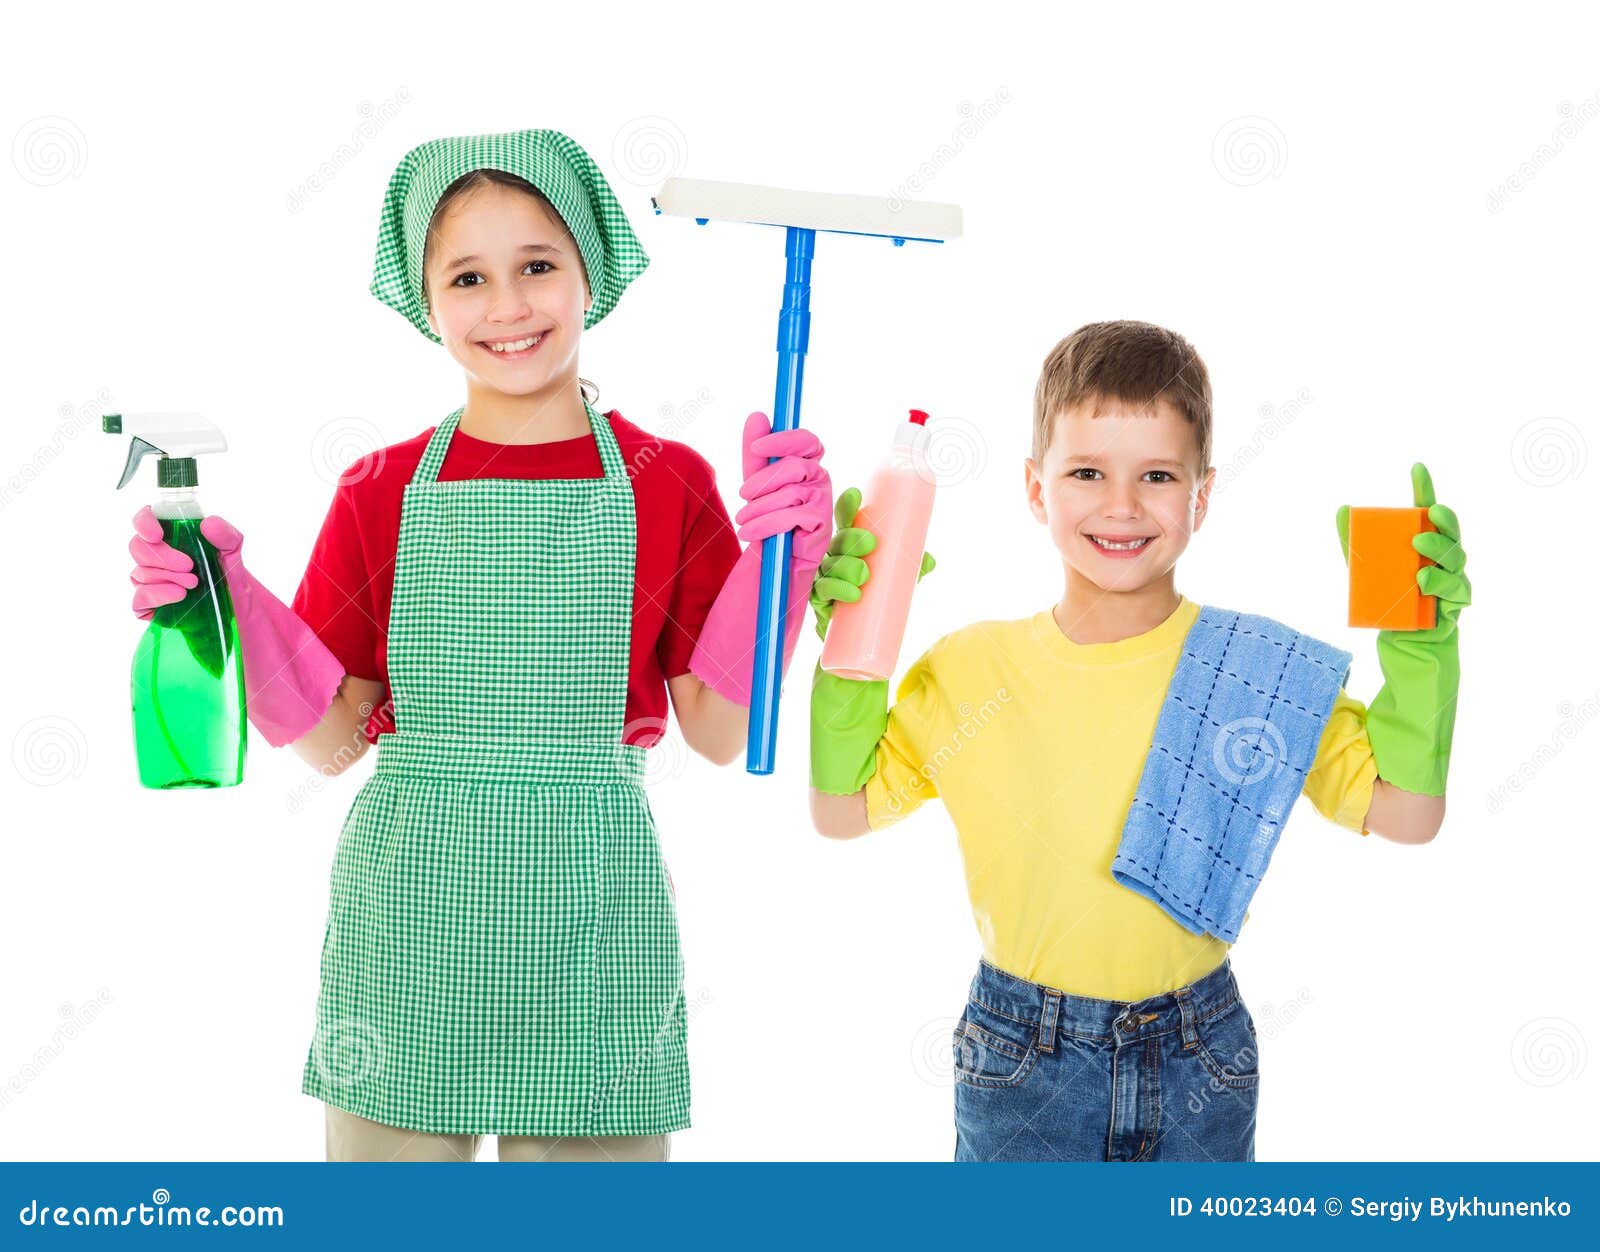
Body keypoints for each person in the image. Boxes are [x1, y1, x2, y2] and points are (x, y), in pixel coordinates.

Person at [126, 129, 833, 1162]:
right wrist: (221, 608)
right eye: (468, 277)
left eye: (537, 266)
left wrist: (786, 561)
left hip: (595, 915)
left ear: (591, 270)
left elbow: (722, 731)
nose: (507, 308)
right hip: (409, 917)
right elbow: (330, 741)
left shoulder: (663, 478)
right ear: (426, 300)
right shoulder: (381, 486)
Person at [807, 319, 1471, 1161]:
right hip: (1019, 1059)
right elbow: (841, 813)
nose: (1121, 505)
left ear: (1202, 492)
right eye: (1087, 472)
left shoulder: (1256, 670)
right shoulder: (970, 669)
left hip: (1201, 1054)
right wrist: (848, 661)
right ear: (1036, 488)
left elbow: (1407, 816)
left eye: (1157, 474)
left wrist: (1422, 655)